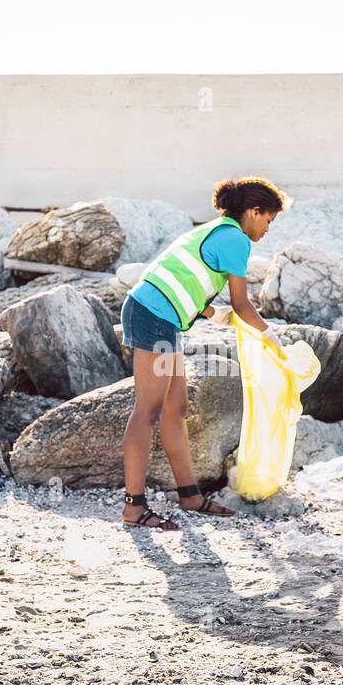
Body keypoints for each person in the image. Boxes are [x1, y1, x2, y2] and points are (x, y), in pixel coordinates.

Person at [119, 177, 287, 530]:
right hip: (152, 317)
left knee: (175, 408)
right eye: (268, 220)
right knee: (147, 410)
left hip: (162, 317)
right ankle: (134, 507)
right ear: (253, 212)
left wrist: (212, 313)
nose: (268, 229)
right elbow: (243, 304)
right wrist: (271, 335)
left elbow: (185, 279)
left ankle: (190, 495)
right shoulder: (235, 240)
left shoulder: (218, 231)